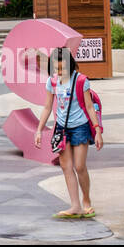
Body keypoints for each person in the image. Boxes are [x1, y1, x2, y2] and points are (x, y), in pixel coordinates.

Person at [33, 47, 103, 219]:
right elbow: (48, 106)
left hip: (80, 126)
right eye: (55, 68)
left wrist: (97, 130)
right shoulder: (52, 81)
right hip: (62, 128)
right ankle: (75, 206)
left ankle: (86, 201)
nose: (58, 72)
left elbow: (89, 107)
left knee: (79, 166)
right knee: (66, 167)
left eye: (61, 68)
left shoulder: (80, 80)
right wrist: (39, 129)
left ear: (69, 65)